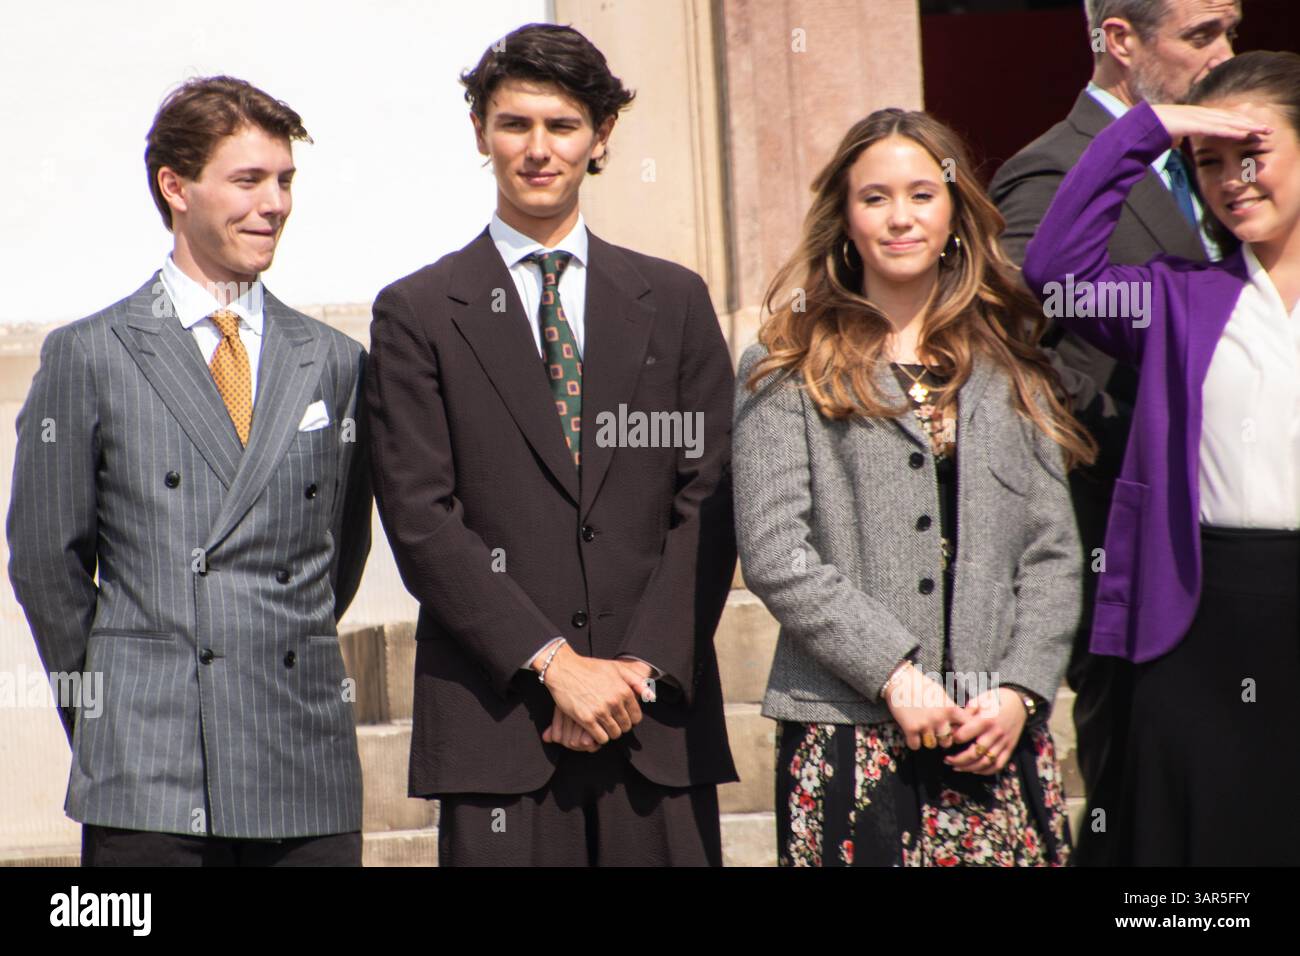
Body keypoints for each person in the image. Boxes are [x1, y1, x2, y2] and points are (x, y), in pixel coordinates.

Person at [366, 23, 737, 867]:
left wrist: (635, 668)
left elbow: (708, 496)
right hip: (500, 728)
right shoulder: (418, 313)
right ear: (480, 134)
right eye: (515, 124)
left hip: (657, 723)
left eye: (563, 125)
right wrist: (553, 665)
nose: (539, 149)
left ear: (601, 137)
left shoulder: (674, 301)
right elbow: (422, 518)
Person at [7, 76, 373, 866]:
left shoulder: (336, 362)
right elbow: (45, 563)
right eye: (247, 181)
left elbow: (339, 553)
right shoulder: (90, 355)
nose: (273, 203)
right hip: (152, 776)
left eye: (284, 180)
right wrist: (113, 710)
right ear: (175, 187)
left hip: (303, 761)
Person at [733, 107, 1094, 866]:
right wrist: (893, 674)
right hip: (846, 734)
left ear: (956, 212)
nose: (901, 217)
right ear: (845, 218)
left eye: (923, 195)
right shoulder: (784, 364)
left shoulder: (1010, 365)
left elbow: (1054, 554)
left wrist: (1020, 692)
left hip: (990, 735)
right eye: (875, 198)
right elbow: (775, 553)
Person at [1022, 50, 1300, 866]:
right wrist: (1147, 131)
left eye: (1251, 152)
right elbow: (1054, 269)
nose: (1231, 179)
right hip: (1196, 610)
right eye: (1207, 163)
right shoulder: (1180, 295)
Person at [989, 0, 1239, 865]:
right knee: (1137, 807)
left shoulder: (1220, 169)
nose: (1225, 53)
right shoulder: (1050, 170)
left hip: (1238, 542)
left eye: (1230, 28)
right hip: (1121, 540)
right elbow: (1022, 348)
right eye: (1201, 33)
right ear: (1122, 41)